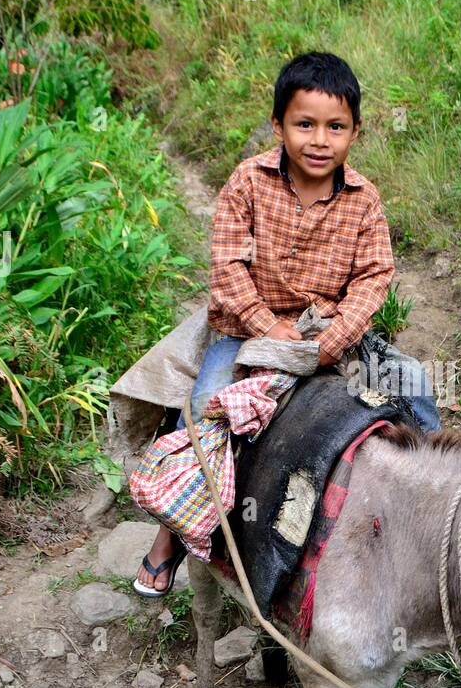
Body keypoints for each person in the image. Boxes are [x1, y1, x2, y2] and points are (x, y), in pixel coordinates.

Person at [134, 50, 440, 595]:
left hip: (325, 328)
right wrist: (264, 325)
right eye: (305, 124)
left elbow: (374, 276)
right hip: (245, 331)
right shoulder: (248, 182)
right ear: (279, 126)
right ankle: (169, 540)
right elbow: (226, 265)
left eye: (335, 127)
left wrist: (335, 337)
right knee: (203, 420)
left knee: (413, 385)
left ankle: (435, 503)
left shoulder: (364, 200)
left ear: (354, 132)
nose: (319, 140)